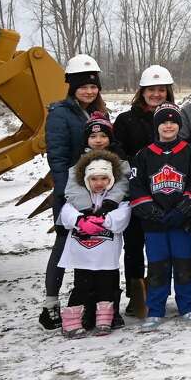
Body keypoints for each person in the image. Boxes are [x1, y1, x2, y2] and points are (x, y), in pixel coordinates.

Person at [40, 53, 106, 330]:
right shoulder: (59, 114)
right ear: (72, 87)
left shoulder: (97, 112)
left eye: (93, 86)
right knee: (64, 244)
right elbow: (56, 157)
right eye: (83, 86)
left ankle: (89, 300)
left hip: (98, 190)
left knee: (93, 244)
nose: (89, 91)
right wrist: (70, 194)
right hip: (71, 192)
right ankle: (50, 304)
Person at [129, 103, 191, 331]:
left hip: (182, 222)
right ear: (157, 126)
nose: (168, 125)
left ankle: (188, 305)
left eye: (173, 121)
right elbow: (137, 187)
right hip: (155, 224)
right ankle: (155, 308)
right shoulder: (143, 155)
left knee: (185, 262)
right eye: (164, 121)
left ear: (179, 126)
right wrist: (152, 212)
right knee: (157, 265)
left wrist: (182, 210)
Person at [113, 64, 175, 317]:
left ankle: (160, 290)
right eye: (151, 89)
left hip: (168, 191)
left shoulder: (174, 118)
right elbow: (116, 151)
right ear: (142, 91)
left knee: (162, 246)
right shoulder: (126, 120)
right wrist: (137, 171)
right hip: (136, 192)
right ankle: (135, 293)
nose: (156, 94)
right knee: (135, 246)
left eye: (161, 90)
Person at [62, 112, 130, 330]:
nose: (98, 140)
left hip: (106, 229)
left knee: (108, 278)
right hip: (85, 225)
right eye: (93, 137)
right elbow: (71, 191)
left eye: (103, 135)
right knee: (83, 279)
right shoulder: (78, 165)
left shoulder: (119, 160)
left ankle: (109, 314)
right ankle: (83, 315)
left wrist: (107, 210)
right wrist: (84, 214)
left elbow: (122, 186)